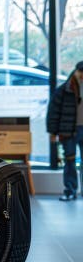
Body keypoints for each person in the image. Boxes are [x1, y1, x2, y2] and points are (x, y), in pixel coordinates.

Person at [47, 61, 83, 201]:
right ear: (75, 72)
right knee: (70, 162)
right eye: (80, 72)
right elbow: (53, 112)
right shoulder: (64, 90)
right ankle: (70, 191)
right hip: (68, 131)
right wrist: (52, 133)